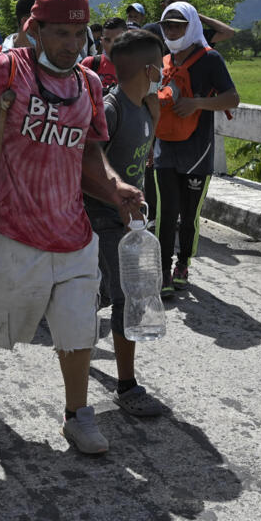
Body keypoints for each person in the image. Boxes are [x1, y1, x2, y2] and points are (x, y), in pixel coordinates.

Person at [0, 0, 144, 454]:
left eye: (79, 36)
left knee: (80, 327)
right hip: (15, 230)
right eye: (60, 34)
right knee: (9, 324)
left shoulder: (91, 84)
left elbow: (90, 154)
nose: (71, 46)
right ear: (34, 29)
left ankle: (77, 416)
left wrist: (115, 186)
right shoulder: (5, 72)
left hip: (74, 232)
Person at [85, 29, 169, 416]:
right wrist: (115, 199)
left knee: (108, 294)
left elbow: (140, 164)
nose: (165, 72)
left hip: (128, 219)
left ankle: (79, 328)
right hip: (103, 217)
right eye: (163, 66)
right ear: (150, 68)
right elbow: (89, 161)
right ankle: (127, 386)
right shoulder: (112, 107)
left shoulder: (144, 106)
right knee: (125, 298)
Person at [152, 2, 239, 296]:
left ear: (192, 26)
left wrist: (197, 104)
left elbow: (232, 99)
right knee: (166, 212)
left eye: (179, 25)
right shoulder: (164, 62)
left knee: (188, 215)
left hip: (197, 150)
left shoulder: (210, 59)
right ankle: (163, 271)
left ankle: (183, 263)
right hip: (165, 147)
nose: (173, 31)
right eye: (167, 25)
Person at [142, 0, 235, 46]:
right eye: (171, 3)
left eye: (182, 3)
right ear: (163, 6)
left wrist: (193, 14)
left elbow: (228, 32)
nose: (177, 6)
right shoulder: (151, 31)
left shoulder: (196, 33)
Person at [81, 17, 127, 96]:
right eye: (107, 40)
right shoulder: (89, 64)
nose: (112, 45)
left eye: (117, 40)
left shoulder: (136, 68)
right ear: (101, 40)